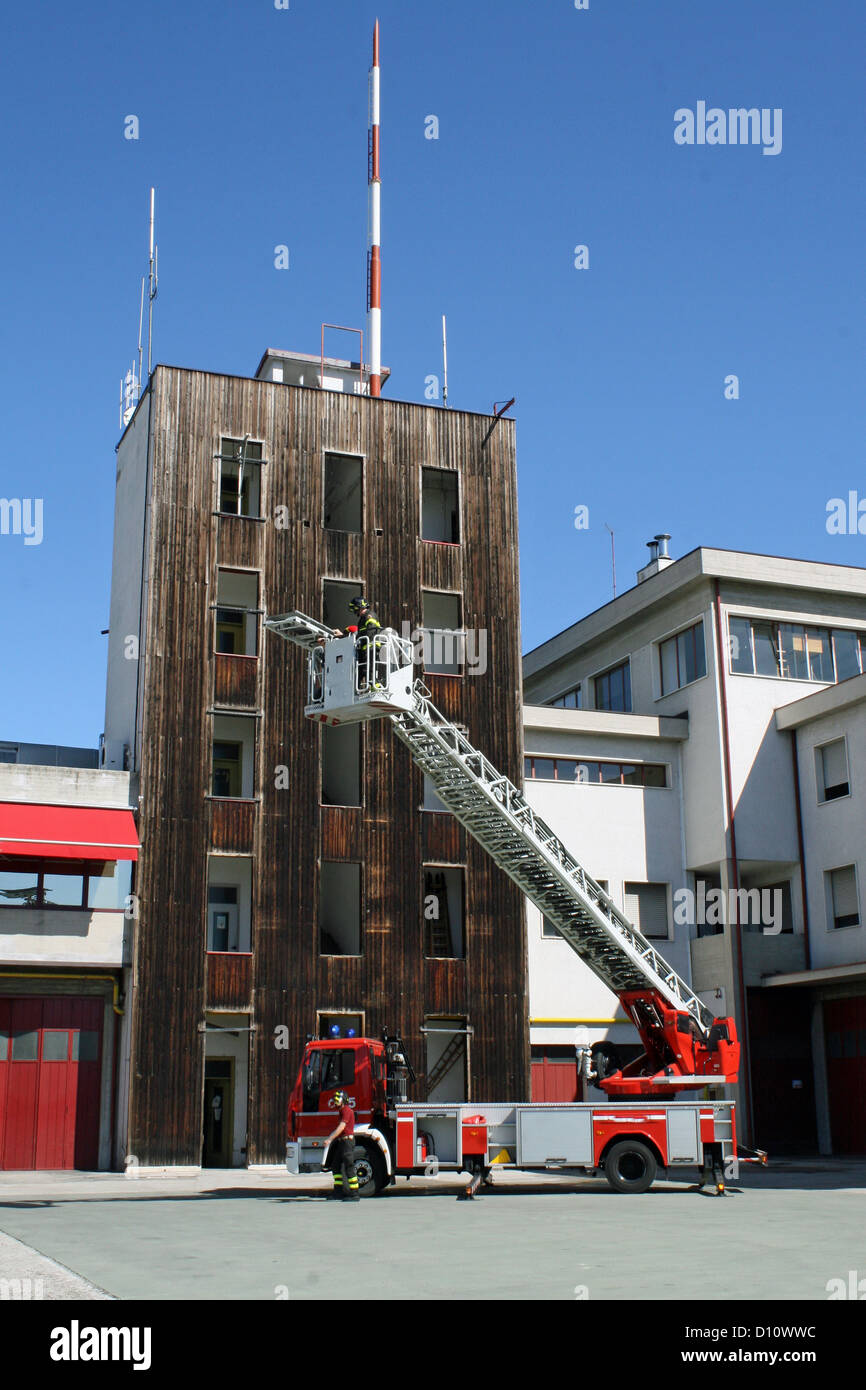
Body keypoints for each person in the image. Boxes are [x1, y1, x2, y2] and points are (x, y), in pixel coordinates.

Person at [325, 1089, 360, 1201]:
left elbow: (341, 1127)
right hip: (342, 1142)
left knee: (349, 1167)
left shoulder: (346, 1110)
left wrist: (330, 1139)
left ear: (343, 1100)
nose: (335, 1102)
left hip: (347, 1143)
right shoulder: (342, 1111)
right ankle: (338, 1192)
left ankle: (355, 1194)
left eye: (337, 1099)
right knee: (335, 1166)